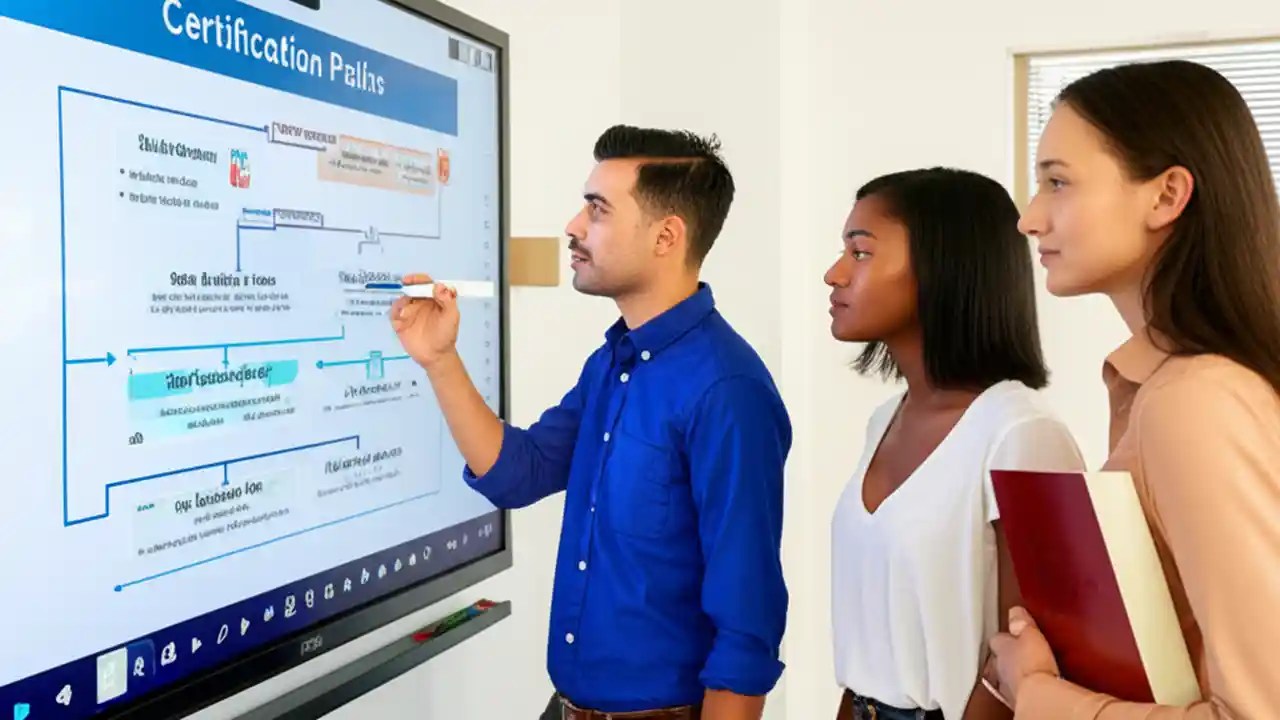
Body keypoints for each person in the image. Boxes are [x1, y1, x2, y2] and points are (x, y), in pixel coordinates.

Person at [391, 125, 791, 720]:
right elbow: (516, 475)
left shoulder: (727, 391)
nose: (573, 227)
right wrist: (440, 361)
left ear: (666, 235)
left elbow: (746, 626)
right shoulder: (612, 363)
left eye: (597, 210)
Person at [988, 60, 1280, 718]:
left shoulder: (1195, 401)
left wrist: (1037, 694)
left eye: (1057, 182)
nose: (1029, 220)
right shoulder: (1177, 387)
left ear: (1166, 196)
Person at [825, 167, 1085, 720]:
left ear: (943, 269)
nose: (835, 273)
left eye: (861, 252)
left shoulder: (1019, 433)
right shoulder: (884, 421)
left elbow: (1032, 659)